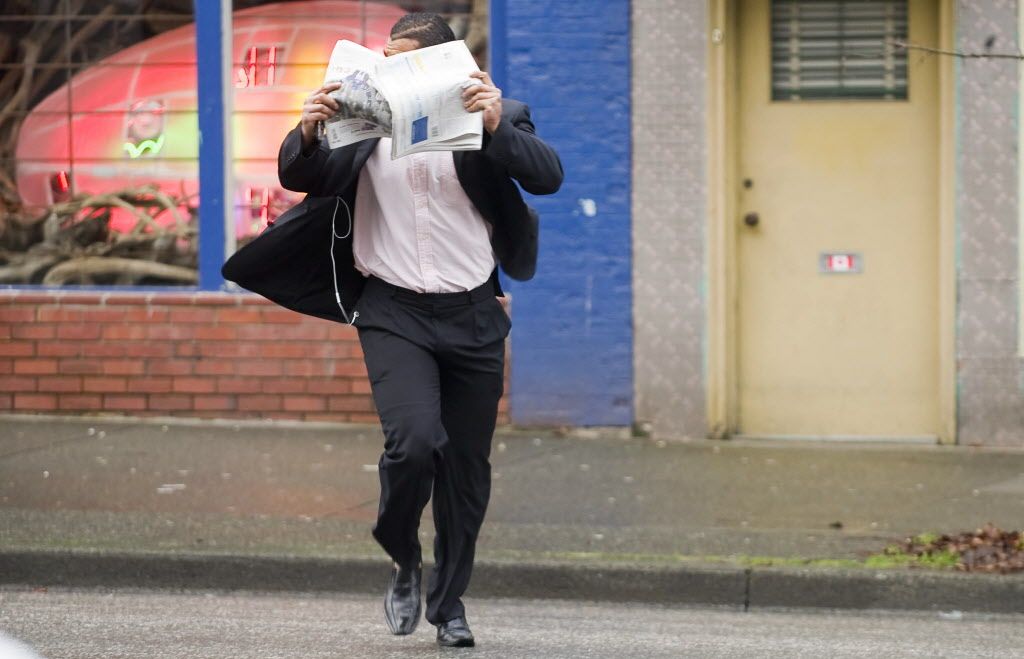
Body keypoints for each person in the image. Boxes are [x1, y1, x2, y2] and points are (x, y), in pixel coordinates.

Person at [277, 12, 562, 648]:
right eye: (384, 58)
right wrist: (308, 129)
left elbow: (548, 174)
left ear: (440, 65)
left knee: (465, 469)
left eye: (402, 60)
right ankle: (404, 555)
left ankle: (449, 603)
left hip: (473, 312)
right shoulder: (361, 124)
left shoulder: (498, 113)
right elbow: (301, 176)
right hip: (392, 309)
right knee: (412, 443)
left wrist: (492, 125)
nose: (388, 71)